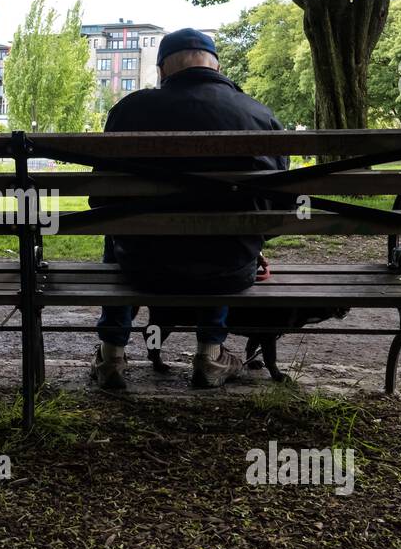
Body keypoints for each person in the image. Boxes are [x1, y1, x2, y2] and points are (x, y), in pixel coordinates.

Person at [90, 27, 287, 390]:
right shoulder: (257, 114)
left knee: (114, 227)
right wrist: (253, 241)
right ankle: (209, 354)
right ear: (217, 67)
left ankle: (111, 353)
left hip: (141, 266)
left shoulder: (129, 110)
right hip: (227, 270)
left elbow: (100, 200)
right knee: (222, 238)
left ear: (163, 70)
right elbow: (277, 208)